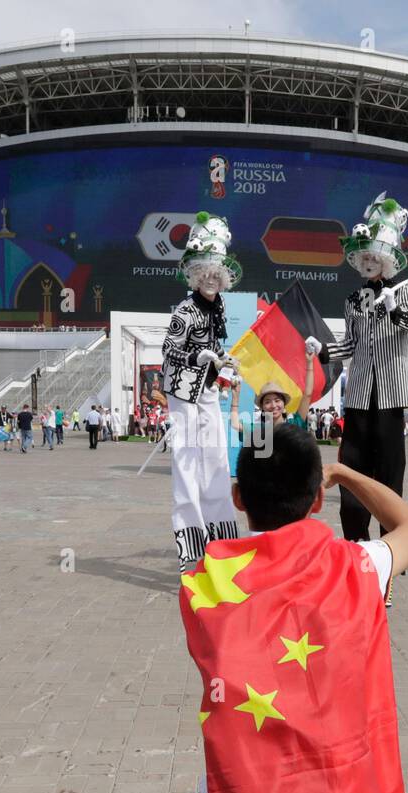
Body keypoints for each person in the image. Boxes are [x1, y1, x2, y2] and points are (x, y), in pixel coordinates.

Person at [159, 425, 408, 793]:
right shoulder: (358, 566)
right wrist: (345, 473)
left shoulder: (204, 586)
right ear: (318, 500)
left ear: (238, 498)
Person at [310, 192, 408, 555]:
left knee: (390, 475)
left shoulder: (403, 293)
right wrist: (324, 350)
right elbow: (352, 345)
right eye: (364, 258)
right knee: (353, 471)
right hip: (359, 398)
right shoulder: (352, 300)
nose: (369, 262)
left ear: (388, 260)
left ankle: (393, 550)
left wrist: (396, 311)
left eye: (375, 257)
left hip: (391, 399)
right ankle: (356, 547)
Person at [161, 212, 242, 572]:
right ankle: (192, 550)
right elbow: (168, 349)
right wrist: (199, 355)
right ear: (195, 275)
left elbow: (212, 348)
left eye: (216, 274)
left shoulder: (217, 307)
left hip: (207, 390)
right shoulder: (185, 309)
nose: (210, 280)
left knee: (217, 461)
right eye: (205, 273)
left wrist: (224, 361)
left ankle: (222, 543)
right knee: (186, 462)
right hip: (181, 392)